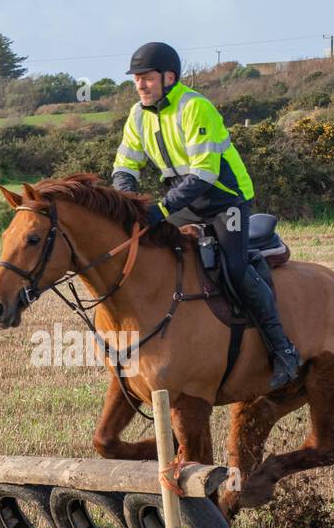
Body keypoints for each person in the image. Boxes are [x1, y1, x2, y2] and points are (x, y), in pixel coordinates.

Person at [110, 41, 300, 389]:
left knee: (236, 267)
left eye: (147, 78)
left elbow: (205, 174)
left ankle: (284, 350)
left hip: (225, 201)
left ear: (169, 77)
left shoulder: (194, 107)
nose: (140, 85)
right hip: (185, 203)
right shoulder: (137, 115)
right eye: (136, 79)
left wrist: (163, 207)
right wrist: (126, 202)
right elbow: (125, 165)